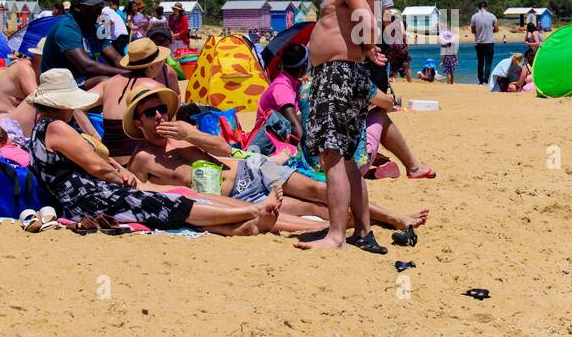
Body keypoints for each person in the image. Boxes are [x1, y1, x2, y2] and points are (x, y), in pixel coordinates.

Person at [123, 84, 428, 233]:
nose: (160, 115)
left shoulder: (182, 130)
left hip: (251, 169)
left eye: (161, 108)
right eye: (150, 113)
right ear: (139, 122)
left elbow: (223, 148)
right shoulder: (143, 159)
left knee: (322, 190)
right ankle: (357, 225)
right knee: (314, 209)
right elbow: (140, 194)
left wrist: (189, 135)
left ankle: (392, 216)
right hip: (237, 196)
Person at [23, 75, 285, 235]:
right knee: (166, 204)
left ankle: (242, 227)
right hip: (92, 199)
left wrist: (116, 170)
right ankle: (252, 211)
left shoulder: (39, 130)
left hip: (81, 202)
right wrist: (120, 176)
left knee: (169, 208)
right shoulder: (57, 127)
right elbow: (96, 167)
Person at [295, 0, 387, 252]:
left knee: (332, 153)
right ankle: (362, 231)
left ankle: (336, 235)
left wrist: (368, 44)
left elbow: (364, 13)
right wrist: (368, 48)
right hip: (345, 73)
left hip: (336, 74)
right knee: (347, 156)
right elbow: (368, 14)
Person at [95, 36, 192, 161]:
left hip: (110, 159)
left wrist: (94, 134)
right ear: (152, 66)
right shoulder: (156, 88)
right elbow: (166, 128)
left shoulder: (108, 83)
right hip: (142, 159)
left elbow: (76, 106)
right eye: (161, 62)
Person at [41, 0, 127, 84]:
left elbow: (116, 59)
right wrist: (126, 73)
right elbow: (86, 66)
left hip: (81, 80)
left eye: (101, 5)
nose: (100, 11)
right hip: (60, 85)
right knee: (108, 82)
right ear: (77, 7)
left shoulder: (97, 29)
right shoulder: (66, 28)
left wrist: (136, 70)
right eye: (95, 6)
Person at [470, 2, 498, 85]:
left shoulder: (474, 17)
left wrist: (478, 31)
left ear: (478, 7)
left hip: (479, 43)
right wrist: (490, 30)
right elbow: (496, 29)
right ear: (486, 7)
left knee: (480, 62)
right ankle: (486, 80)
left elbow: (472, 30)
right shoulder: (492, 16)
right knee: (488, 62)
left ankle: (480, 81)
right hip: (489, 42)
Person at [383, 9, 412, 81]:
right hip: (401, 45)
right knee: (406, 63)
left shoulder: (386, 23)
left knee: (392, 63)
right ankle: (409, 80)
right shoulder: (400, 22)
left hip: (391, 45)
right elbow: (404, 34)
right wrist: (406, 44)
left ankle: (392, 78)